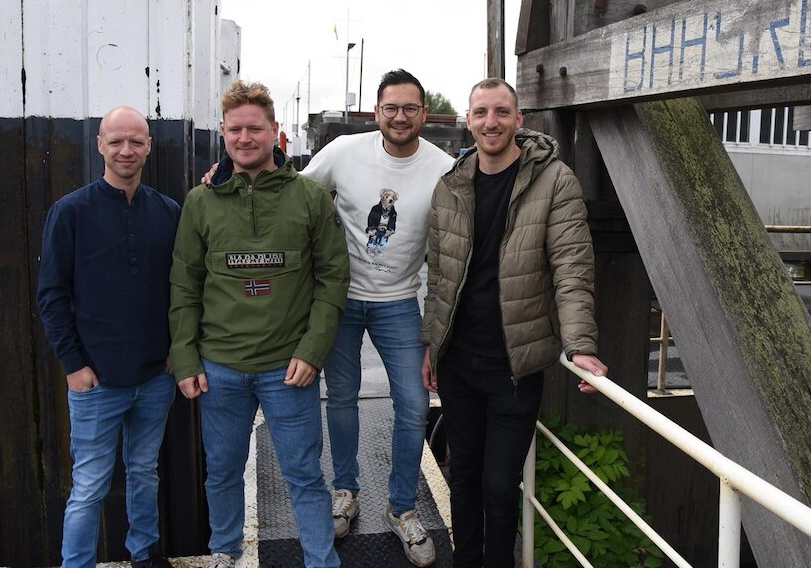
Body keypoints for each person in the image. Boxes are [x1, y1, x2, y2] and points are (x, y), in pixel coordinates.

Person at [203, 69, 453, 567]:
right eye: (390, 107)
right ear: (376, 112)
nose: (399, 116)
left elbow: (453, 245)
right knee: (340, 398)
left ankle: (402, 507)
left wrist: (438, 326)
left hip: (400, 300)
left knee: (410, 404)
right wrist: (226, 172)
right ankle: (346, 490)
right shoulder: (343, 152)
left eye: (409, 108)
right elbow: (289, 189)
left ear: (423, 114)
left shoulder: (445, 168)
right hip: (338, 299)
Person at [420, 78, 608, 568]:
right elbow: (438, 273)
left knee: (500, 485)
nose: (491, 122)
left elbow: (572, 267)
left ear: (519, 119)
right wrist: (431, 345)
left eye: (502, 112)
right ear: (469, 120)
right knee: (463, 475)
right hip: (459, 360)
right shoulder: (451, 186)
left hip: (514, 364)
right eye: (481, 113)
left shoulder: (554, 181)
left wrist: (580, 345)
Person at [170, 81, 350, 568]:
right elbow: (185, 285)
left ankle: (320, 561)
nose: (244, 138)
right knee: (222, 472)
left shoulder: (311, 198)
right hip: (219, 369)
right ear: (223, 135)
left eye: (255, 128)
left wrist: (312, 351)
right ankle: (226, 554)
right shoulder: (200, 203)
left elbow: (333, 280)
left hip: (288, 369)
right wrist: (185, 356)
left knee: (305, 475)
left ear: (275, 132)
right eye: (235, 130)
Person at [37, 105, 180, 568]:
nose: (126, 149)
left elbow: (184, 289)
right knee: (90, 485)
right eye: (116, 141)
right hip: (96, 381)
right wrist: (73, 366)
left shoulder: (168, 212)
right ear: (100, 145)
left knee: (144, 472)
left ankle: (144, 553)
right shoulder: (70, 211)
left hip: (156, 377)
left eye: (136, 141)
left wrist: (177, 350)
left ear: (148, 148)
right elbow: (52, 296)